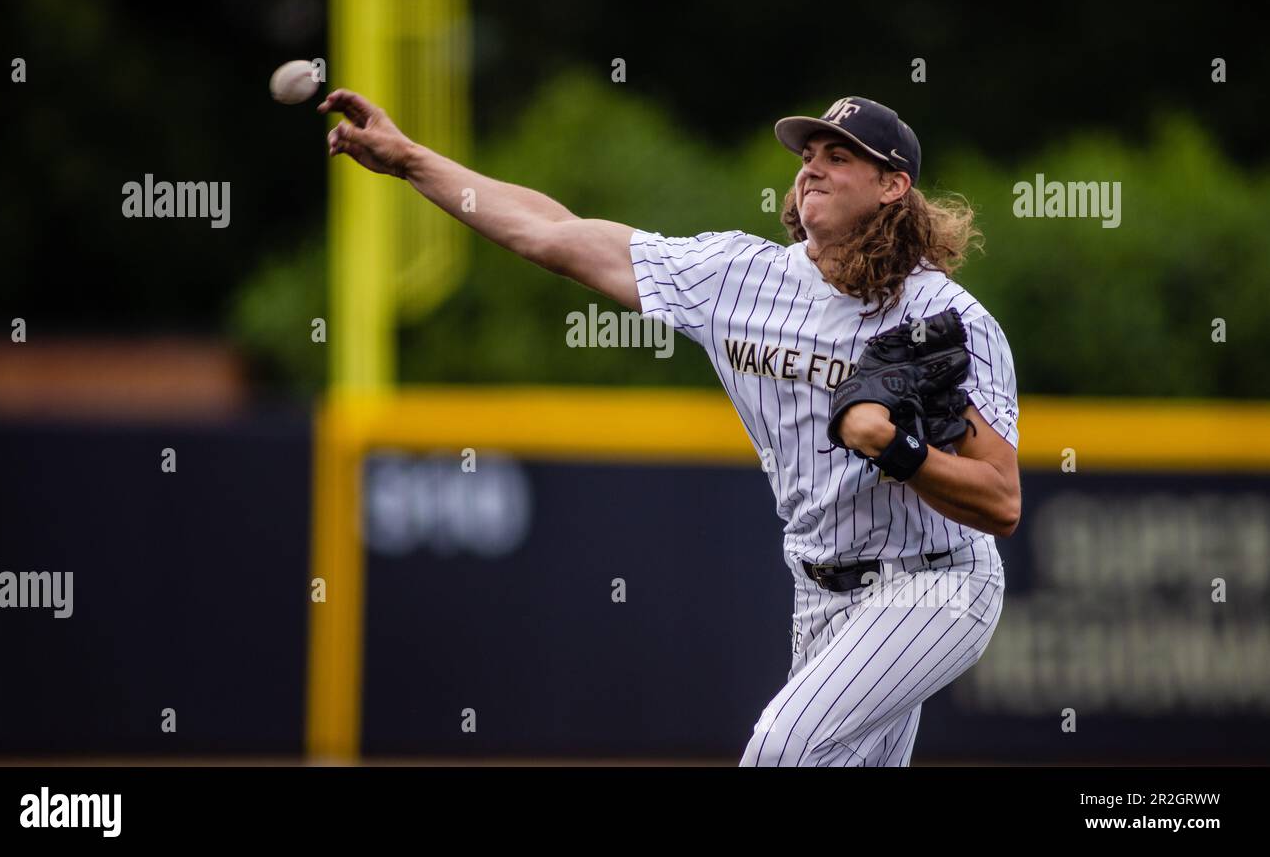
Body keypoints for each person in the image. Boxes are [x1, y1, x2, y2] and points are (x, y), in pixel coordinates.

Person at [320, 89, 1021, 766]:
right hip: (817, 591)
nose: (812, 166)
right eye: (809, 152)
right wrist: (411, 158)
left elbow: (1002, 501)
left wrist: (898, 449)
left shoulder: (944, 320)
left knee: (782, 748)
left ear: (893, 185)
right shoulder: (736, 279)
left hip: (934, 584)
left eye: (839, 155)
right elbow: (554, 232)